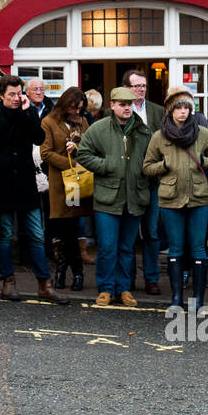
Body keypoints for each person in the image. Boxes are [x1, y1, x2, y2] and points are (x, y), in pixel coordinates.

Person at [0, 74, 68, 304]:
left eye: (19, 94)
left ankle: (44, 285)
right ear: (1, 95)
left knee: (37, 234)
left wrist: (28, 113)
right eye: (12, 94)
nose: (17, 98)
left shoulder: (27, 115)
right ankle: (8, 281)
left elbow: (38, 138)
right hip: (2, 184)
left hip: (26, 184)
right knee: (6, 234)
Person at [143, 86, 208, 314]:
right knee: (175, 249)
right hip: (170, 199)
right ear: (170, 110)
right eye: (179, 107)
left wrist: (202, 160)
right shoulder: (159, 137)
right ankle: (177, 298)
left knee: (198, 249)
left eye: (187, 107)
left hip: (198, 198)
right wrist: (164, 165)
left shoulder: (203, 134)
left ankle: (198, 299)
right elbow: (147, 167)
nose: (183, 112)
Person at [76, 86, 152, 306]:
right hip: (108, 198)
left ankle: (124, 289)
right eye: (122, 104)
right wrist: (107, 165)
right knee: (108, 247)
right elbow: (83, 154)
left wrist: (145, 175)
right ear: (112, 105)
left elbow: (150, 160)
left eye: (130, 104)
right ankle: (106, 289)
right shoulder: (99, 129)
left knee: (127, 248)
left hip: (134, 197)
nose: (127, 108)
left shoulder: (143, 131)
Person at [40, 86, 92, 291]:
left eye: (81, 109)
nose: (78, 112)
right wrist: (71, 163)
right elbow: (46, 153)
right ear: (65, 103)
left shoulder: (83, 122)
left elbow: (90, 147)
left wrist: (78, 148)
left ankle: (68, 273)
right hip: (59, 182)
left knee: (71, 228)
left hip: (76, 183)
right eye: (75, 108)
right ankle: (69, 272)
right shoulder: (48, 122)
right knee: (63, 229)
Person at [123, 68, 165, 294]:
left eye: (143, 86)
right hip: (129, 182)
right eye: (136, 86)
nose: (140, 90)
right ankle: (128, 278)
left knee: (151, 232)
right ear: (126, 88)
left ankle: (151, 278)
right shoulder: (120, 111)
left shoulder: (158, 111)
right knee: (129, 233)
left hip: (154, 181)